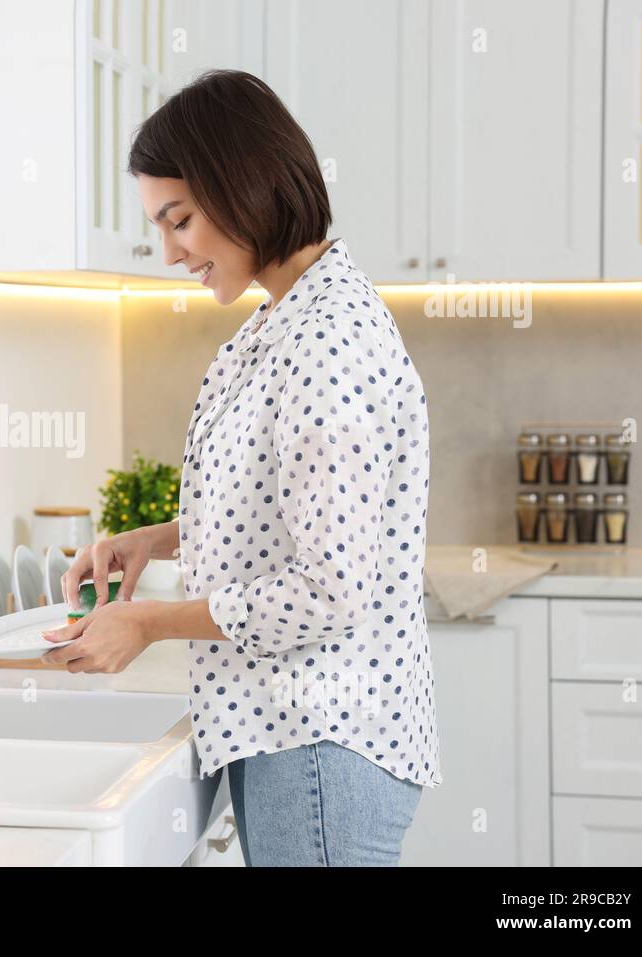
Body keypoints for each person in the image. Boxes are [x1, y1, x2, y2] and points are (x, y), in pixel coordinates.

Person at [42, 70, 440, 867]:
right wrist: (155, 541)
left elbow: (327, 588)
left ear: (243, 184)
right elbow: (287, 514)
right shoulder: (290, 320)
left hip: (320, 740)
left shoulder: (326, 345)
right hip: (293, 735)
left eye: (178, 219)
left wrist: (149, 622)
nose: (168, 252)